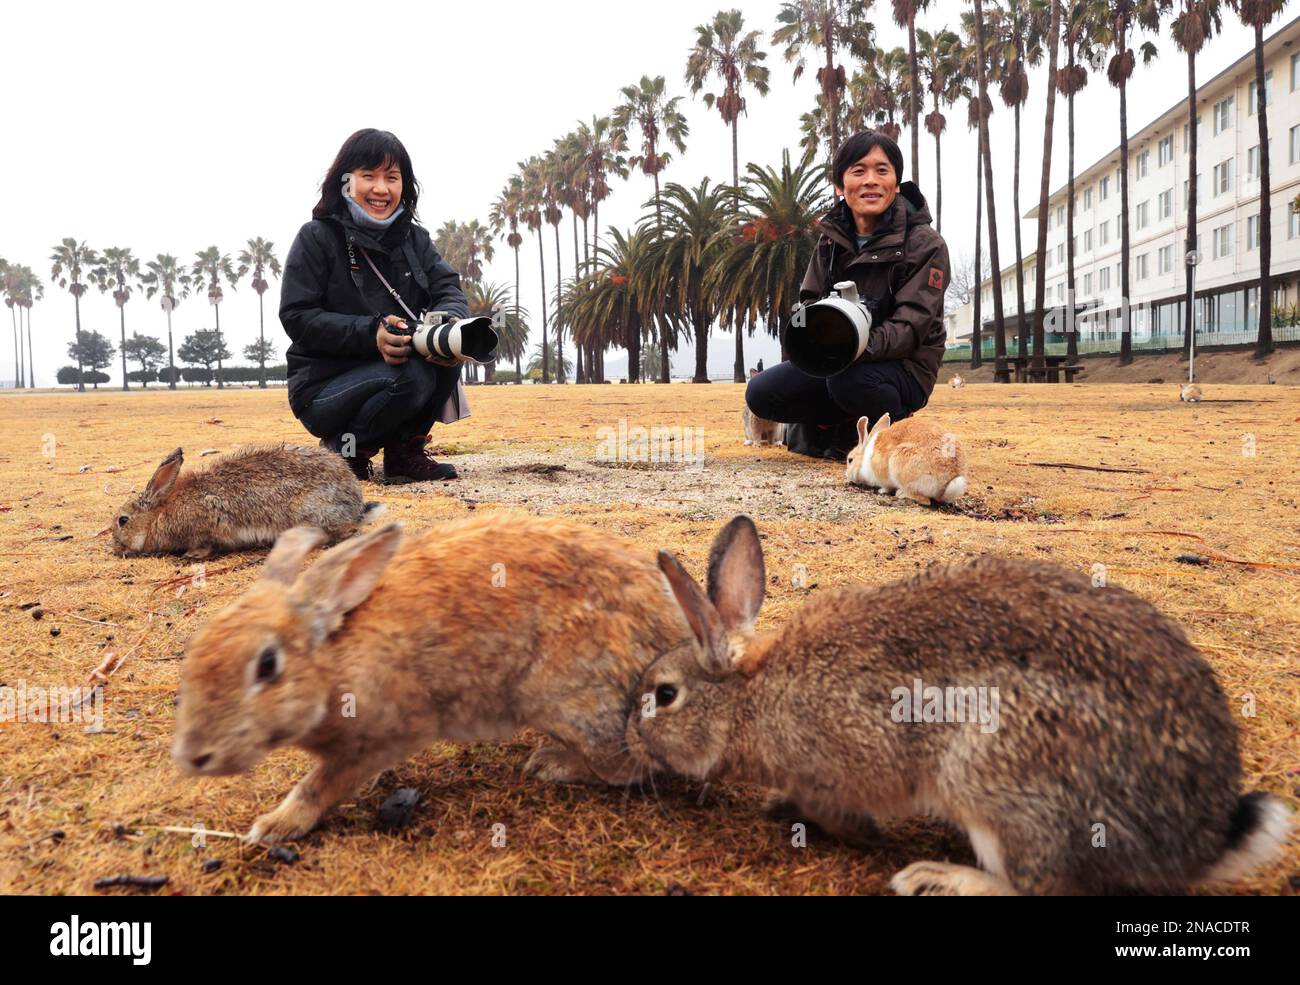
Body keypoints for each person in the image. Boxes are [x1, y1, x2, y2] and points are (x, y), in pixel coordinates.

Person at [745, 130, 950, 460]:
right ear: (841, 186)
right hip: (838, 362)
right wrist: (806, 343)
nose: (871, 180)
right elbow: (806, 303)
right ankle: (839, 423)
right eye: (858, 170)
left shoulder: (925, 244)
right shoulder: (829, 241)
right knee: (762, 393)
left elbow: (912, 327)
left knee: (849, 383)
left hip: (903, 367)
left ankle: (893, 422)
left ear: (896, 184)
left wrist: (851, 344)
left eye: (882, 170)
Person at [279, 128, 470, 482]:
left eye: (392, 177)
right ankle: (345, 452)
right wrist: (372, 334)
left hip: (397, 371)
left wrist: (446, 322)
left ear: (405, 185)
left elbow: (448, 288)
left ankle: (405, 455)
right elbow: (297, 316)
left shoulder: (415, 240)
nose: (381, 189)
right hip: (324, 388)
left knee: (447, 352)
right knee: (411, 376)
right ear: (346, 181)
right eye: (369, 176)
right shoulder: (316, 237)